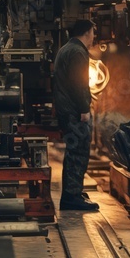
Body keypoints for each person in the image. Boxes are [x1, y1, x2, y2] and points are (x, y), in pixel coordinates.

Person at [53, 19, 99, 211]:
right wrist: (84, 109)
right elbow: (79, 84)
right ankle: (71, 197)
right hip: (73, 111)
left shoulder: (67, 48)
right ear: (87, 32)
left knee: (75, 150)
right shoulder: (78, 52)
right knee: (78, 151)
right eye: (93, 33)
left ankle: (74, 193)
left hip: (66, 109)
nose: (94, 37)